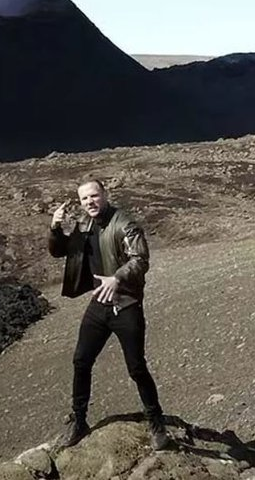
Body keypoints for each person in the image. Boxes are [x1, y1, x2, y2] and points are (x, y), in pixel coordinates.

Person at [47, 180, 173, 450]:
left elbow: (140, 259)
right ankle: (79, 421)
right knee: (81, 361)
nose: (89, 202)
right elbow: (59, 251)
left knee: (136, 367)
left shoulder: (124, 224)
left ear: (105, 195)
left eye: (94, 196)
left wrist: (117, 279)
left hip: (125, 304)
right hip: (99, 304)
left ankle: (157, 424)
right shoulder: (85, 224)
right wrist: (55, 228)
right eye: (84, 198)